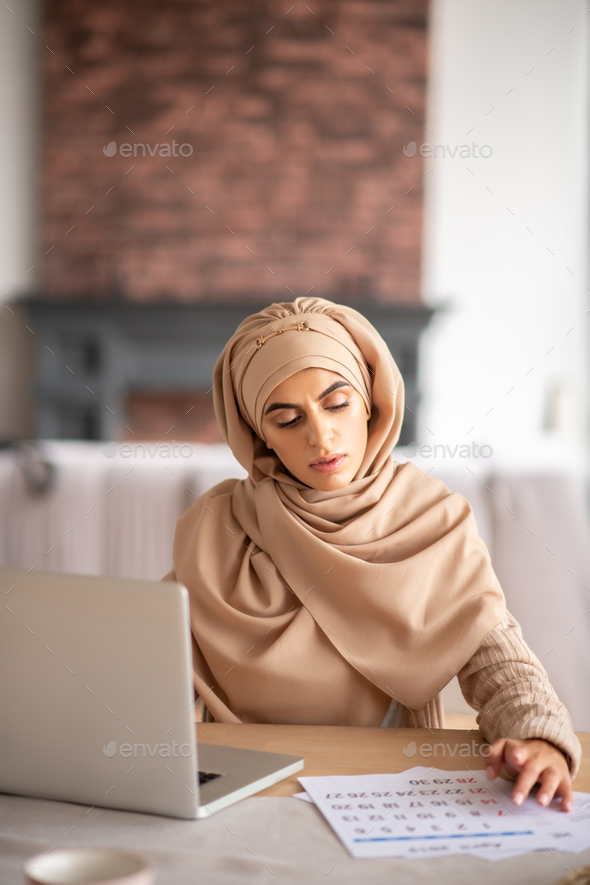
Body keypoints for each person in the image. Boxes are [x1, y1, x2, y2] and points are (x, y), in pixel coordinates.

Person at [161, 296, 581, 812]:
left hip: (385, 787)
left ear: (370, 401)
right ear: (258, 436)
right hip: (243, 791)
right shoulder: (218, 525)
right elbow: (156, 667)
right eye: (288, 420)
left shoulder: (428, 517)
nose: (321, 436)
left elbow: (496, 659)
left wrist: (540, 738)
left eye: (336, 403)